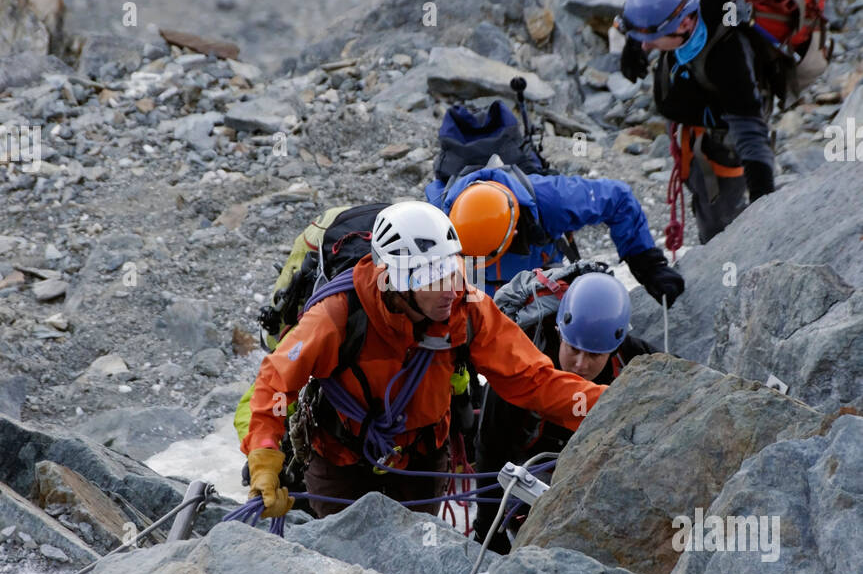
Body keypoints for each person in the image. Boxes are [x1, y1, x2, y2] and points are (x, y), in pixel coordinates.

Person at [241, 201, 608, 520]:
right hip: (341, 460)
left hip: (422, 458)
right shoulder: (337, 314)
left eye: (452, 268)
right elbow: (276, 380)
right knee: (348, 563)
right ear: (393, 281)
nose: (450, 287)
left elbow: (534, 379)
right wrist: (264, 461)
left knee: (414, 565)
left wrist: (607, 408)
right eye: (432, 276)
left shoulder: (467, 310)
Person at [472, 265, 655, 551]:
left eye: (594, 355)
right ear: (559, 331)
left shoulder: (636, 359)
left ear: (616, 345)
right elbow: (491, 448)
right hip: (530, 474)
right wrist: (487, 529)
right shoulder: (520, 364)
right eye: (572, 349)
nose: (581, 364)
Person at [618, 0, 776, 244]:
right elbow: (644, 16)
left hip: (722, 144)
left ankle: (724, 259)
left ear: (685, 25)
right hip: (692, 125)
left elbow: (751, 133)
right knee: (704, 195)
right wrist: (633, 40)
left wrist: (764, 205)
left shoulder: (729, 55)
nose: (645, 47)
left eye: (651, 39)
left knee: (718, 222)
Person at [425, 165, 684, 307]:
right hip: (477, 293)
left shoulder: (552, 200)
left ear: (514, 233)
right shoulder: (436, 219)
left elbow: (617, 198)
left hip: (540, 281)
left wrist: (648, 265)